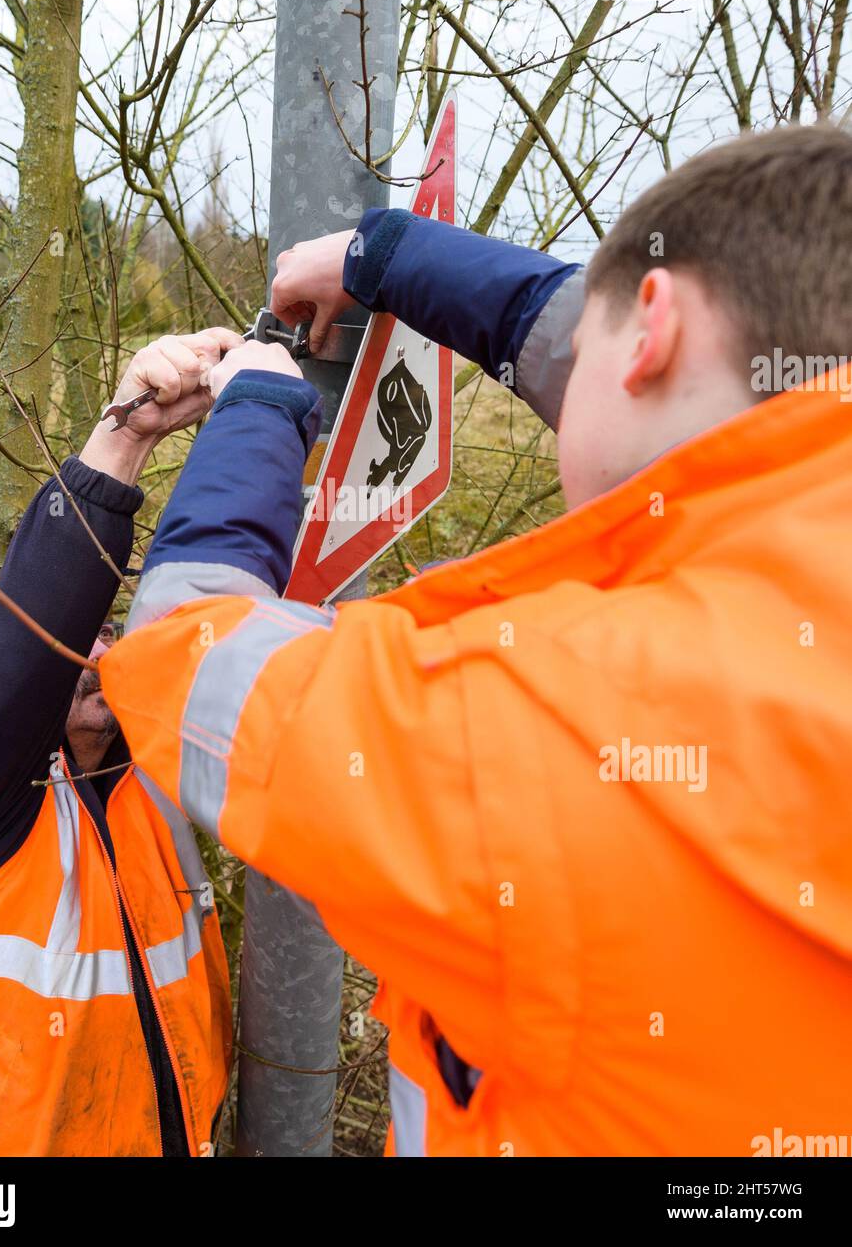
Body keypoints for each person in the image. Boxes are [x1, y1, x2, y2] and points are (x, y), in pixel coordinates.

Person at [100, 124, 852, 1156]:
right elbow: (688, 422)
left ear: (652, 331)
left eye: (586, 347)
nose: (561, 376)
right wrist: (385, 257)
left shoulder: (540, 719)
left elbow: (183, 640)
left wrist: (261, 406)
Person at [0, 328, 253, 1157]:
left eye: (107, 632)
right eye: (78, 638)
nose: (94, 651)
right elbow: (20, 656)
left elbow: (231, 619)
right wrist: (126, 437)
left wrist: (256, 425)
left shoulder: (151, 783)